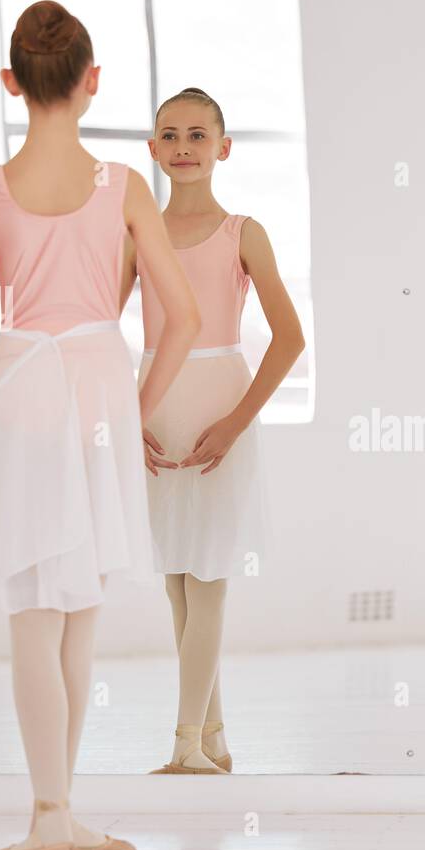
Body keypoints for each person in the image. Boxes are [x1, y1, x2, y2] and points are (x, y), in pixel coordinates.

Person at [0, 0, 200, 850]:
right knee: (79, 618)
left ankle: (54, 818)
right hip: (96, 395)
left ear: (12, 83)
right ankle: (59, 815)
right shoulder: (122, 185)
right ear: (92, 83)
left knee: (33, 619)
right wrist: (131, 408)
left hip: (23, 388)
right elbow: (182, 318)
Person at [120, 87, 304, 775]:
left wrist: (234, 423)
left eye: (199, 136)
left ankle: (184, 745)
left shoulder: (243, 233)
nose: (183, 147)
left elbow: (290, 338)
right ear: (153, 149)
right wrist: (124, 413)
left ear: (223, 148)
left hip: (218, 407)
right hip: (157, 404)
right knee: (176, 580)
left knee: (209, 577)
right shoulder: (139, 236)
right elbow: (98, 324)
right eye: (170, 135)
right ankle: (216, 737)